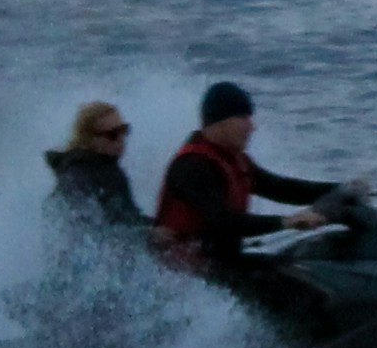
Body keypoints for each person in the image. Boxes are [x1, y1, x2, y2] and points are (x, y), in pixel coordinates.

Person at [154, 80, 339, 263]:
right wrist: (285, 222)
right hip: (188, 274)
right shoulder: (192, 166)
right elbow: (223, 221)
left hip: (222, 263)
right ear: (220, 122)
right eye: (243, 118)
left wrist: (341, 189)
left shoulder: (235, 160)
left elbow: (281, 188)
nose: (252, 126)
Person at [44, 101, 144, 236]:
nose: (121, 139)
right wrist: (147, 235)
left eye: (124, 130)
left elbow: (128, 219)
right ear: (89, 139)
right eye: (112, 135)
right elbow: (90, 234)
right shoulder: (77, 176)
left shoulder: (107, 169)